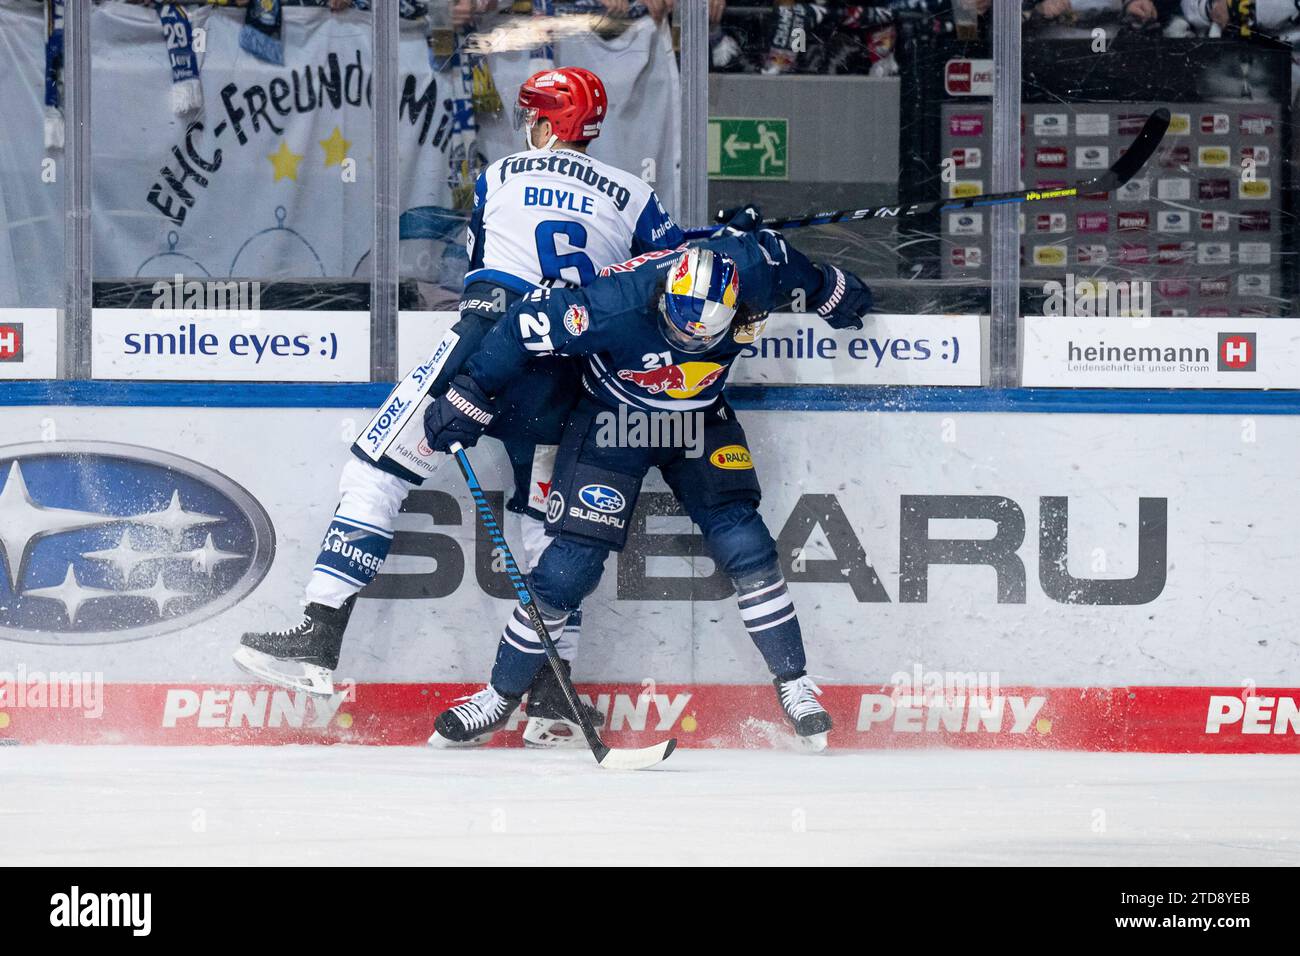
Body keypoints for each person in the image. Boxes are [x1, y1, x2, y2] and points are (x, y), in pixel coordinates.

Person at [234, 66, 685, 748]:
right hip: (569, 372)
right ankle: (552, 696)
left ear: (544, 123)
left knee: (376, 473)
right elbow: (669, 277)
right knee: (547, 531)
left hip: (483, 347)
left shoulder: (499, 175)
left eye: (531, 115)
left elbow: (476, 266)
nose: (524, 125)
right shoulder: (637, 196)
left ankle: (317, 640)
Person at [420, 226, 873, 752]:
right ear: (663, 302)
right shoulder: (610, 305)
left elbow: (787, 261)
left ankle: (795, 685)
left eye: (705, 338)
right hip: (615, 423)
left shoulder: (754, 268)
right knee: (568, 569)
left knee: (746, 545)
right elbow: (520, 326)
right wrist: (469, 394)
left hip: (698, 419)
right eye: (681, 334)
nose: (691, 345)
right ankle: (500, 698)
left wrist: (830, 288)